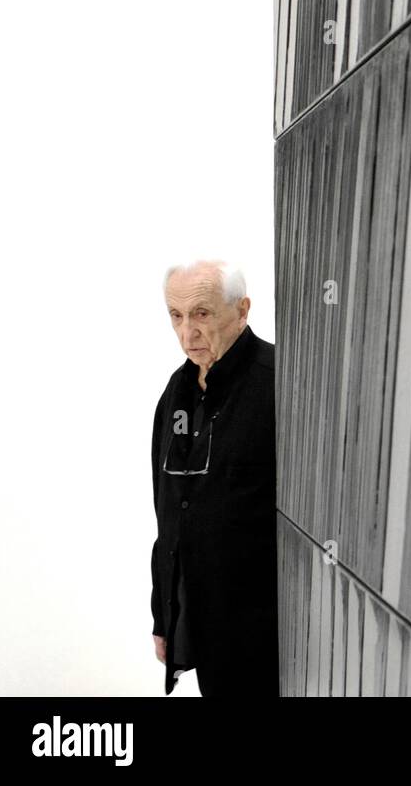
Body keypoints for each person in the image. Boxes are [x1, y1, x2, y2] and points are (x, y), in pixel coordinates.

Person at [151, 259, 278, 696]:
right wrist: (164, 614)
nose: (188, 333)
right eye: (176, 316)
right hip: (201, 621)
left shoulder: (278, 383)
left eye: (202, 314)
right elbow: (167, 511)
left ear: (242, 310)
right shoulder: (176, 392)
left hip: (268, 632)